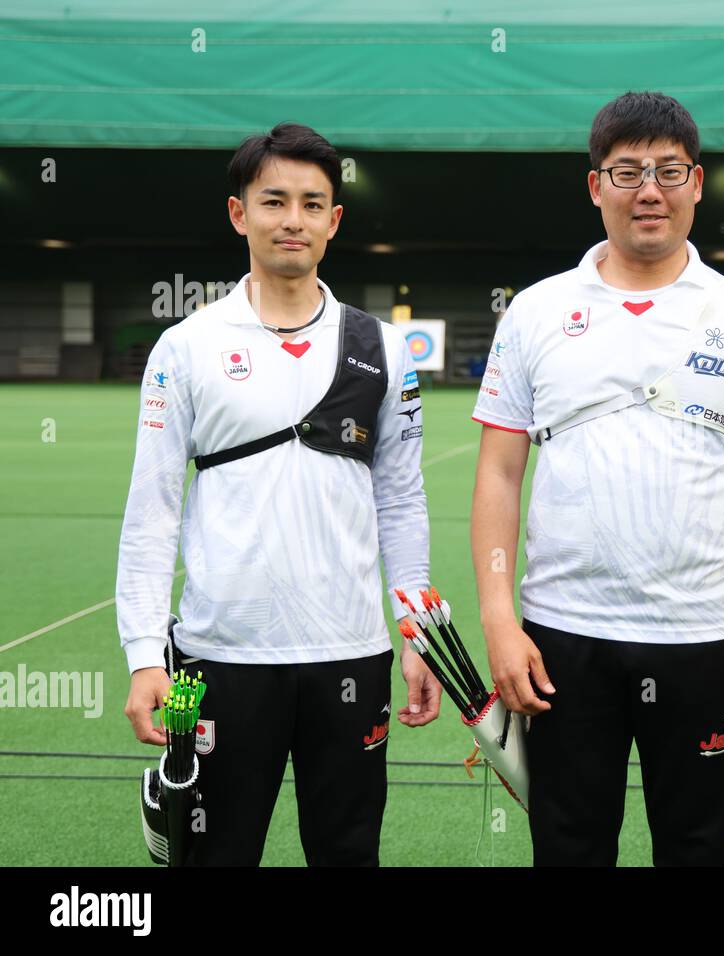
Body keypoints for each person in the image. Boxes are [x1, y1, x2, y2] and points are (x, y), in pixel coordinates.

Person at [469, 92, 724, 866]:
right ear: (595, 186)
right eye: (626, 172)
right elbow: (498, 475)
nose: (649, 190)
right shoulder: (534, 312)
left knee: (697, 847)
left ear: (698, 182)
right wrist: (499, 619)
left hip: (703, 638)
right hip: (563, 639)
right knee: (567, 847)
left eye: (668, 171)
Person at [117, 123, 439, 866]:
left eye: (311, 203)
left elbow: (401, 501)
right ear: (240, 214)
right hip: (219, 658)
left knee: (348, 851)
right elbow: (153, 511)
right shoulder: (186, 347)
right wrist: (143, 655)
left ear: (334, 221)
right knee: (216, 855)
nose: (292, 218)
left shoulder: (383, 349)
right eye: (274, 201)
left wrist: (414, 629)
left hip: (352, 655)